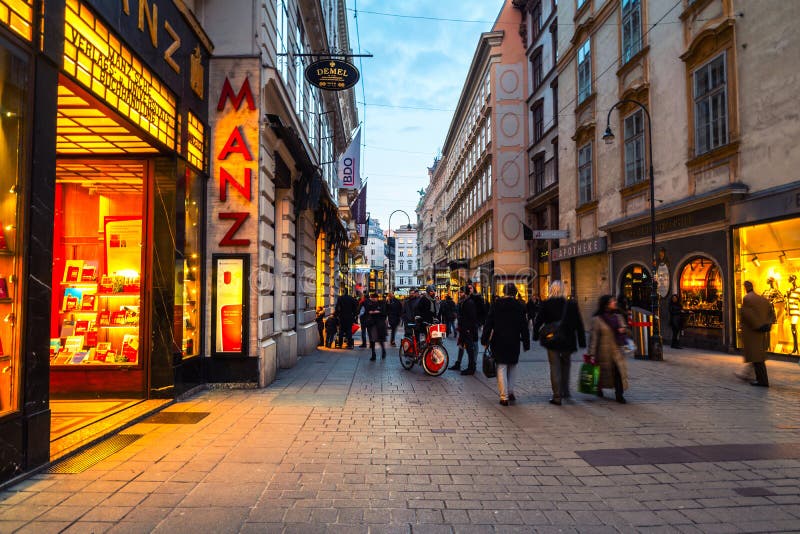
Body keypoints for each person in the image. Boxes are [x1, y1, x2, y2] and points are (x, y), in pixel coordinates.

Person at [533, 280, 586, 405]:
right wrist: (582, 341)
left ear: (551, 290)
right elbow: (579, 323)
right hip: (568, 340)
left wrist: (535, 335)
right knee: (566, 365)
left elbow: (538, 321)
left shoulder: (546, 304)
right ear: (563, 290)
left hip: (552, 340)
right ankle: (565, 391)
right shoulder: (571, 304)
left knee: (554, 366)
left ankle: (557, 396)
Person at [481, 283, 530, 406]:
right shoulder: (519, 306)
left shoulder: (496, 304)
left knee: (501, 366)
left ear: (504, 292)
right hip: (514, 340)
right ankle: (510, 391)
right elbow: (524, 326)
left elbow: (489, 323)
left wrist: (484, 339)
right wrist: (526, 342)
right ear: (514, 292)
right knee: (512, 365)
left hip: (499, 340)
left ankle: (504, 397)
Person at [587, 295, 630, 403]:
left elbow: (628, 331)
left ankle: (619, 395)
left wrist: (623, 330)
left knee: (618, 372)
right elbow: (594, 338)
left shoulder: (618, 317)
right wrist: (591, 354)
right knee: (602, 373)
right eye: (612, 301)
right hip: (603, 353)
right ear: (606, 305)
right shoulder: (597, 319)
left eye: (614, 301)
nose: (614, 302)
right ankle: (598, 388)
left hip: (616, 351)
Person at [740, 280, 771, 387]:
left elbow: (748, 315)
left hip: (753, 333)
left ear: (746, 287)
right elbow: (769, 312)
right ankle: (761, 380)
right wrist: (766, 324)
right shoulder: (762, 299)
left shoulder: (747, 299)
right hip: (761, 333)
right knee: (759, 358)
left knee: (757, 359)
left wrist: (757, 326)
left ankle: (762, 381)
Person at [451, 286, 479, 374]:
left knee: (470, 349)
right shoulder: (463, 302)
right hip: (463, 328)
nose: (460, 294)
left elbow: (471, 317)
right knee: (461, 346)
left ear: (466, 293)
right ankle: (459, 364)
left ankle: (471, 368)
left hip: (467, 329)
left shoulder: (469, 302)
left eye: (461, 292)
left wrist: (468, 329)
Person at [365, 292, 388, 360]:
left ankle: (383, 351)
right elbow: (367, 311)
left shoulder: (381, 303)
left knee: (380, 339)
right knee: (372, 340)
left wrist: (376, 312)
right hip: (372, 324)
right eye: (372, 298)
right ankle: (373, 354)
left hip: (379, 324)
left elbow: (384, 312)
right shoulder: (369, 304)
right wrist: (374, 312)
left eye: (374, 298)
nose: (372, 299)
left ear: (377, 298)